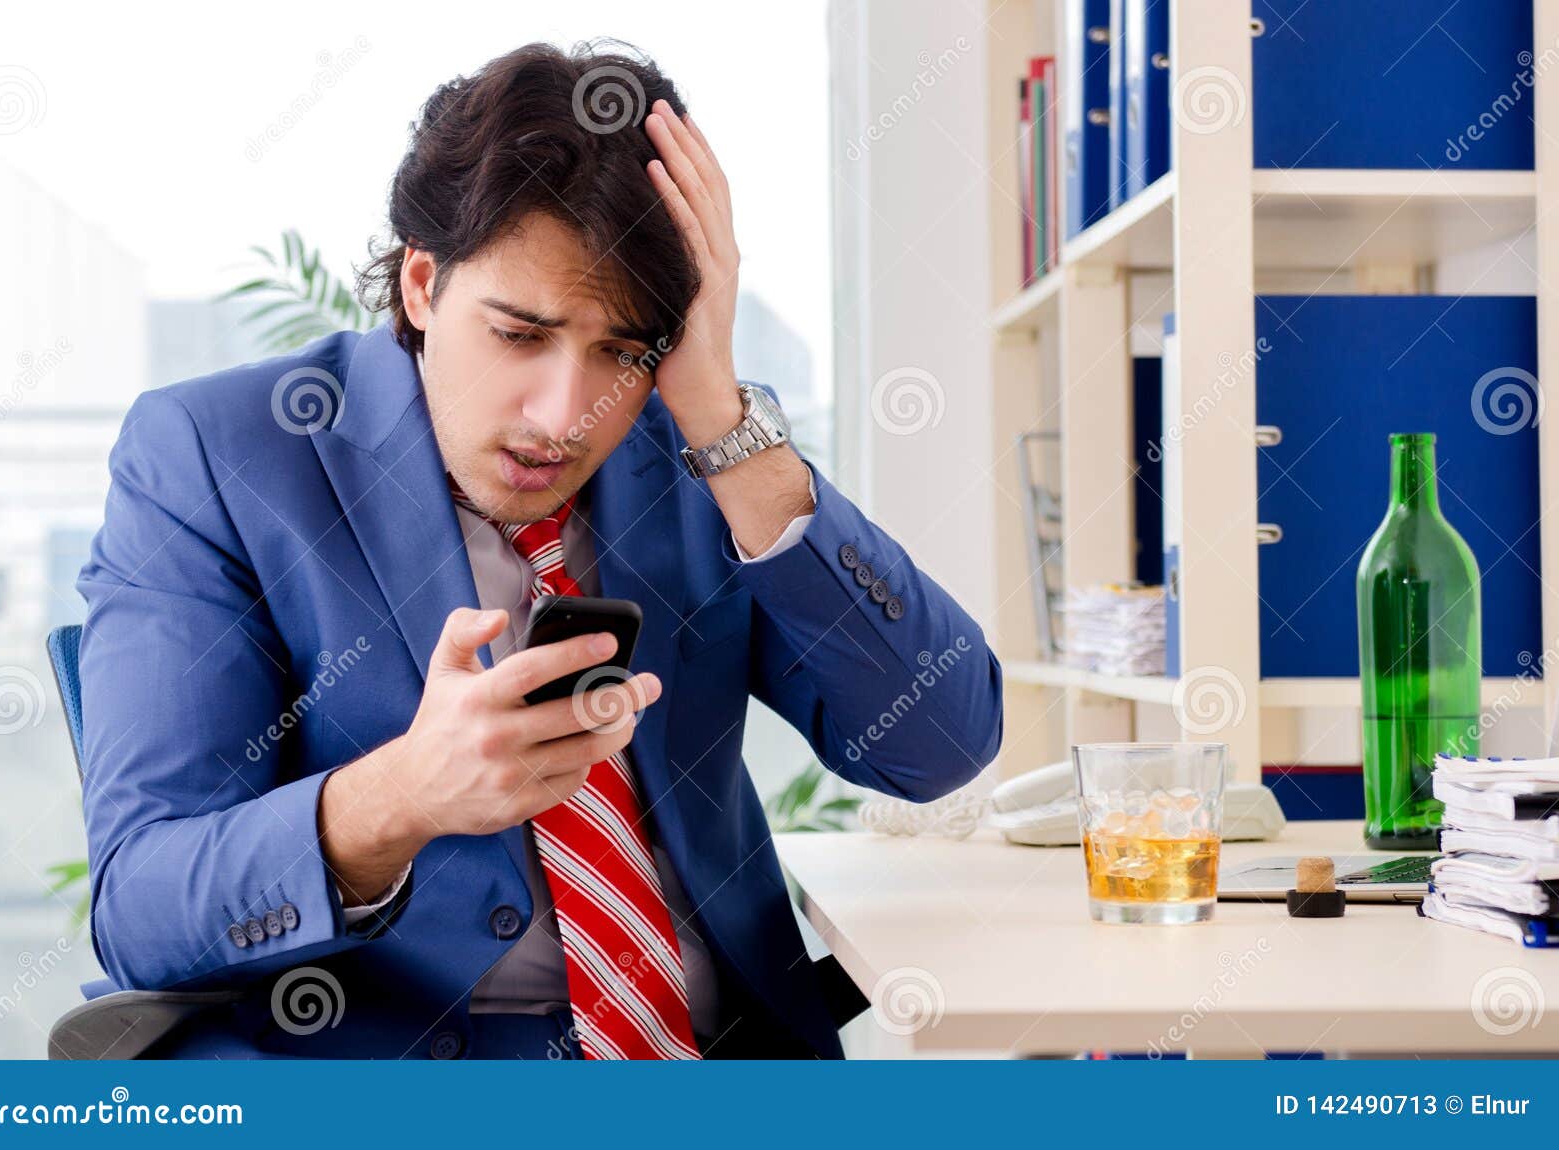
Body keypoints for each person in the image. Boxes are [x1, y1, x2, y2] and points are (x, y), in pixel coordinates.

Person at [76, 40, 1003, 1059]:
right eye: (520, 335)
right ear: (422, 284)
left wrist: (721, 416)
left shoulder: (701, 452)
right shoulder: (219, 458)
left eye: (622, 347)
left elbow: (940, 747)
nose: (564, 416)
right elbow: (142, 907)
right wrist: (404, 795)